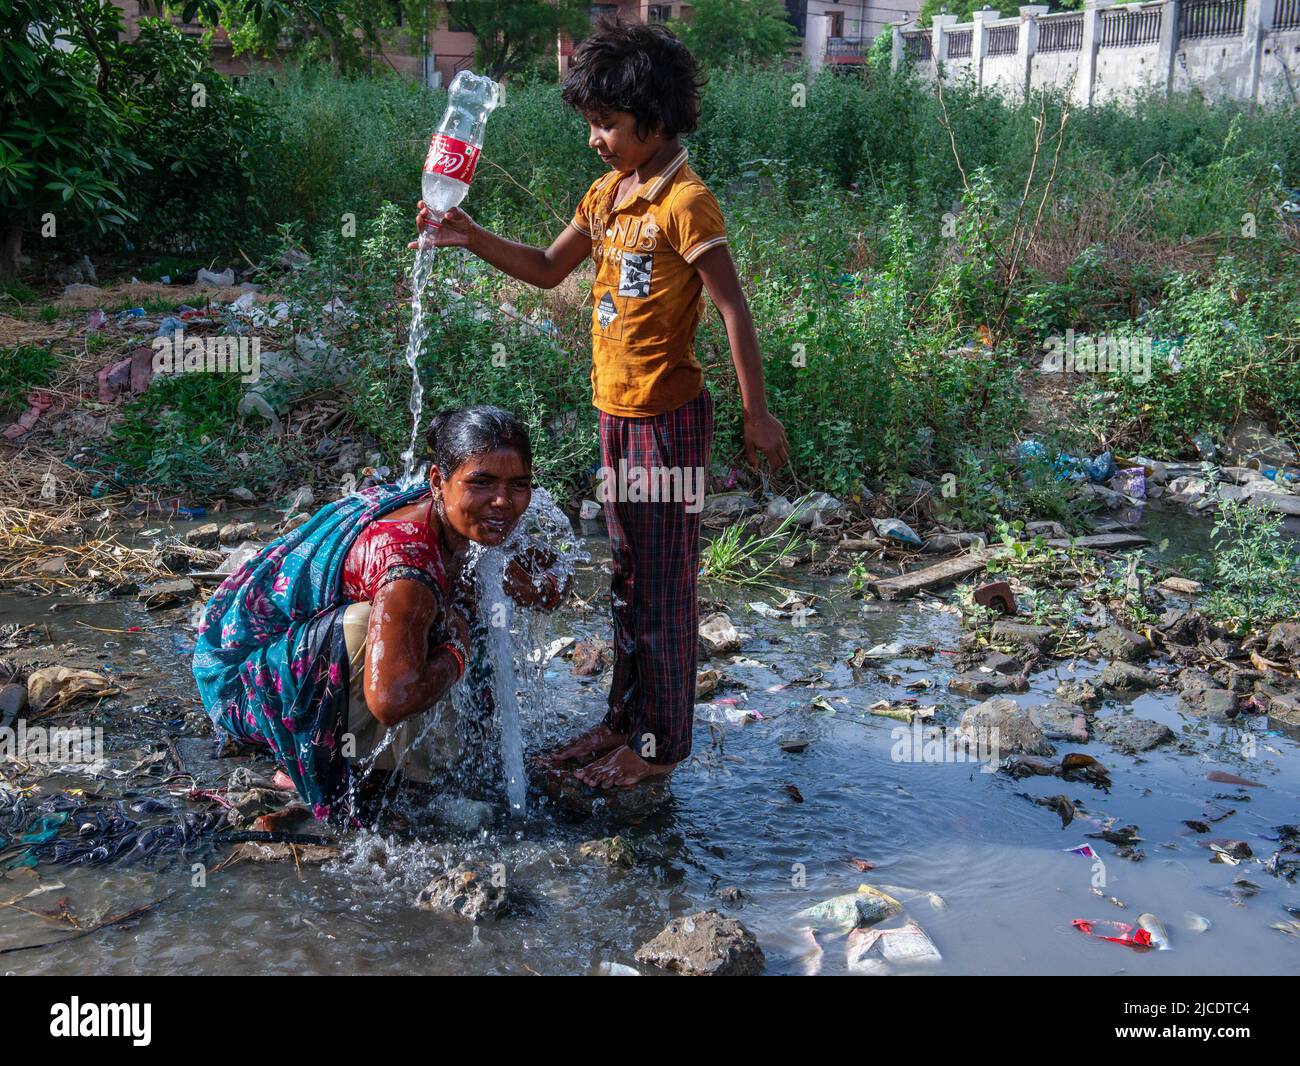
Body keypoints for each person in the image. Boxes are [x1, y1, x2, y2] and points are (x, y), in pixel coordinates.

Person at [413, 17, 789, 789]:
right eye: (591, 124)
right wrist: (470, 234)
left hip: (668, 427)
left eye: (608, 125)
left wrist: (758, 415)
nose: (596, 139)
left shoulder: (686, 202)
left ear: (653, 121)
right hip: (616, 418)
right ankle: (624, 721)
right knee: (627, 579)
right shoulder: (607, 194)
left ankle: (662, 748)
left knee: (664, 589)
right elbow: (550, 269)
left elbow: (733, 310)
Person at [192, 405, 564, 820]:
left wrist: (537, 584)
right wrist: (458, 650)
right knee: (370, 628)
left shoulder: (461, 517)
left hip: (270, 656)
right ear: (438, 482)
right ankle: (336, 756)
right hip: (247, 692)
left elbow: (553, 569)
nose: (503, 502)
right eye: (482, 482)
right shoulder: (406, 564)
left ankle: (392, 750)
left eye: (519, 485)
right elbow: (390, 699)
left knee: (460, 608)